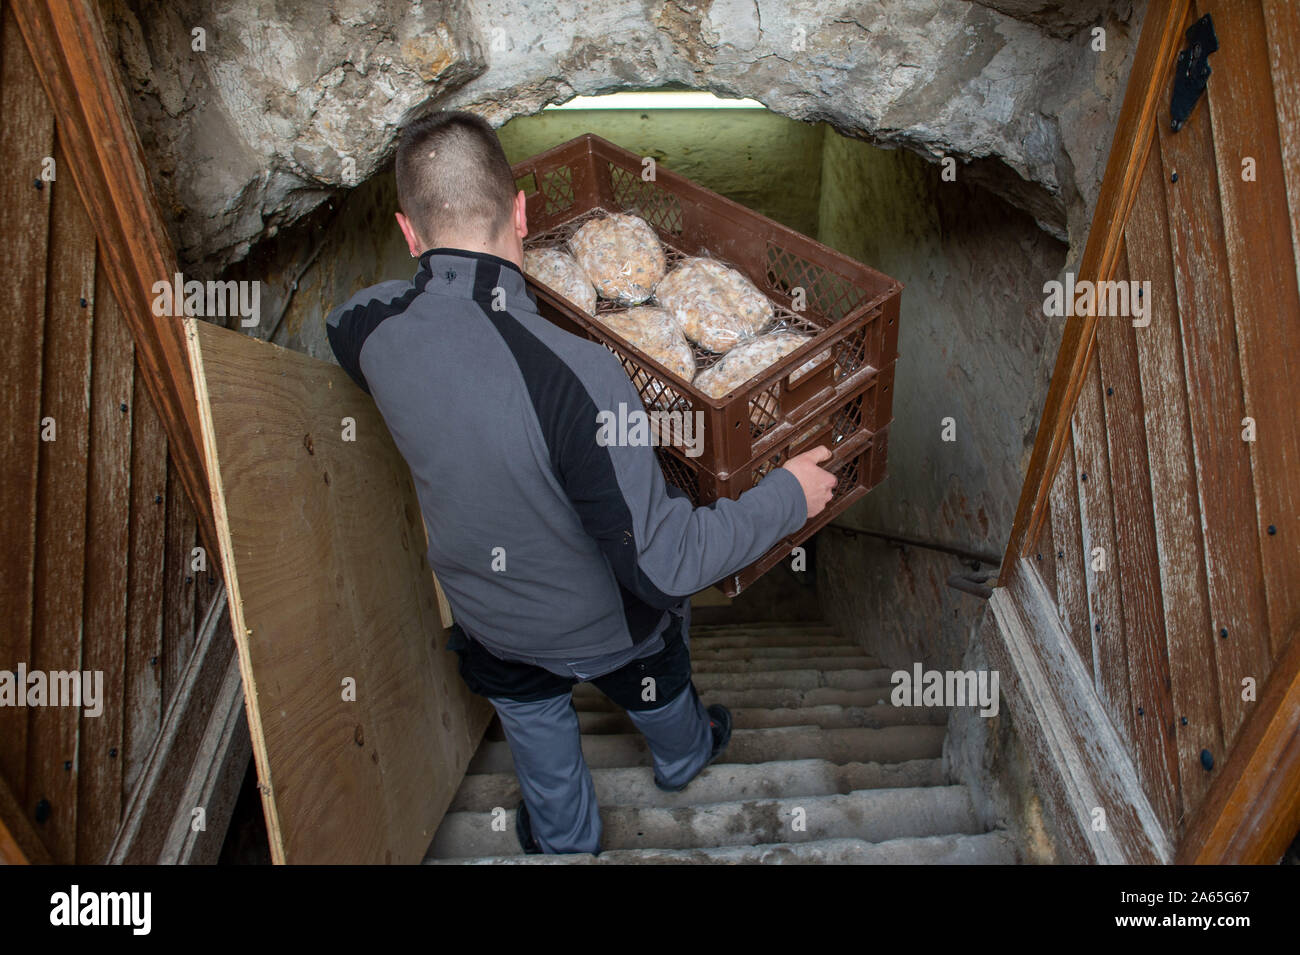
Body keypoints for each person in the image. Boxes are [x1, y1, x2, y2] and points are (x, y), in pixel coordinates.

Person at [325, 109, 838, 855]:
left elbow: (348, 321)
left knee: (535, 725)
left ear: (410, 233)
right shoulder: (585, 377)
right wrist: (787, 494)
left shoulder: (373, 333)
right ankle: (685, 756)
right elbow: (667, 559)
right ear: (523, 215)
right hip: (611, 630)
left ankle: (566, 837)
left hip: (490, 619)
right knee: (659, 689)